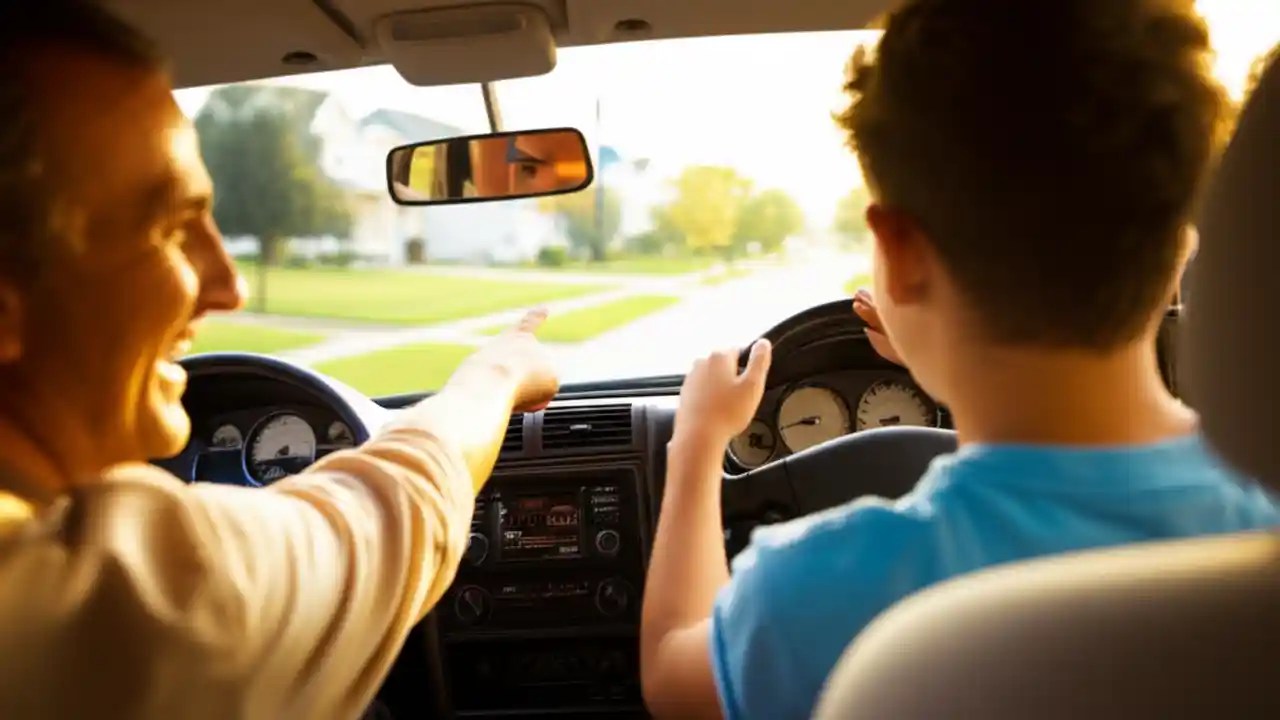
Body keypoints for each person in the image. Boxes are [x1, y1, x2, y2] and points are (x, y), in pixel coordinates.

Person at [639, 1, 1280, 719]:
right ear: (1180, 250)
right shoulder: (1262, 533)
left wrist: (695, 449)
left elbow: (672, 671)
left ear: (899, 255)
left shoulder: (821, 593)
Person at [0, 3, 557, 718]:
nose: (227, 285)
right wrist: (498, 373)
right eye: (169, 228)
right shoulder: (95, 613)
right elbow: (390, 513)